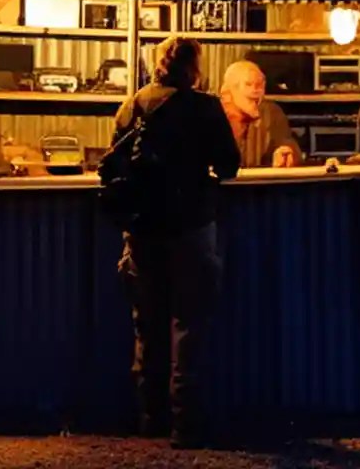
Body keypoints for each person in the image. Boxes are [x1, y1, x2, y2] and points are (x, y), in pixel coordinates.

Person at [110, 36, 241, 448]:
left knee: (147, 325)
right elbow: (229, 167)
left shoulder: (132, 105)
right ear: (192, 67)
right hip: (191, 227)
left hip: (142, 230)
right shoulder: (203, 106)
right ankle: (185, 425)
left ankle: (150, 418)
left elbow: (115, 162)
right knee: (188, 326)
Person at [219, 60, 302, 168]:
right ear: (228, 91)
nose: (255, 90)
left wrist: (287, 151)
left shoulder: (272, 113)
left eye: (259, 85)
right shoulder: (211, 114)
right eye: (248, 84)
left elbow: (287, 143)